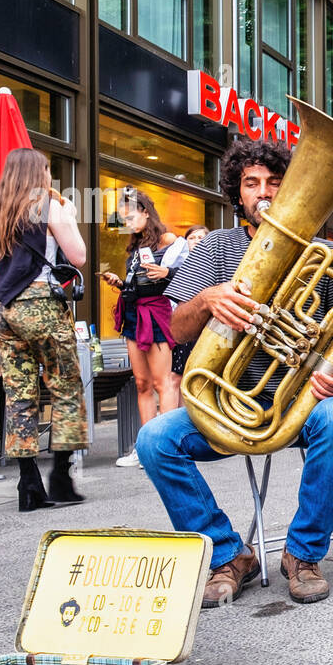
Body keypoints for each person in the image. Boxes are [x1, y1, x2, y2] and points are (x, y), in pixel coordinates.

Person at [136, 137, 333, 609]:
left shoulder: (322, 252)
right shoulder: (213, 249)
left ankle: (302, 555)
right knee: (154, 440)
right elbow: (176, 332)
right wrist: (206, 300)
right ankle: (228, 555)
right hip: (222, 404)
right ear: (236, 192)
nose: (263, 192)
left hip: (298, 404)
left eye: (275, 183)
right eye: (251, 183)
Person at [0, 148, 88, 511]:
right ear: (37, 172)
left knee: (19, 395)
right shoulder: (50, 205)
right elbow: (78, 257)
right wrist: (70, 216)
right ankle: (61, 478)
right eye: (46, 169)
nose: (49, 175)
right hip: (40, 304)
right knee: (66, 387)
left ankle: (28, 484)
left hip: (2, 308)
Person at [100, 189, 189, 467]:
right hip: (133, 315)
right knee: (142, 383)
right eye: (123, 217)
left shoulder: (169, 240)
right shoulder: (135, 248)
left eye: (131, 215)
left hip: (157, 313)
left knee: (164, 382)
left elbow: (190, 277)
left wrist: (168, 273)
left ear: (146, 212)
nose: (127, 221)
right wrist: (119, 283)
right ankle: (145, 447)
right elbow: (137, 283)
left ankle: (166, 445)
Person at [169, 225, 210, 385]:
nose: (196, 241)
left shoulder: (214, 262)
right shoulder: (179, 264)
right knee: (178, 376)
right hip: (186, 325)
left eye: (200, 237)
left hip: (206, 328)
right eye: (191, 238)